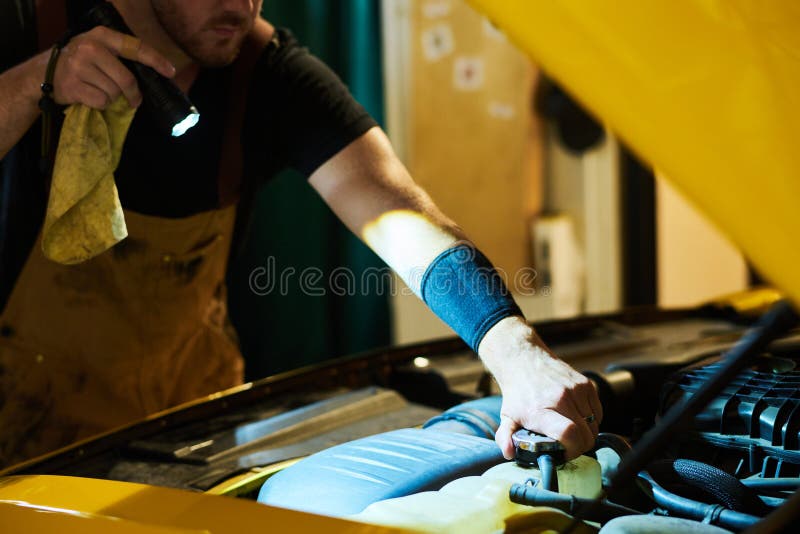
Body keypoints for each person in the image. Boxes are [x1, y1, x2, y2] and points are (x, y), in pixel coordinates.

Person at [0, 0, 602, 468]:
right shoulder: (27, 25)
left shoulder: (263, 73)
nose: (245, 6)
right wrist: (32, 84)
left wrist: (514, 351)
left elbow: (394, 209)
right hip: (19, 439)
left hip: (180, 431)